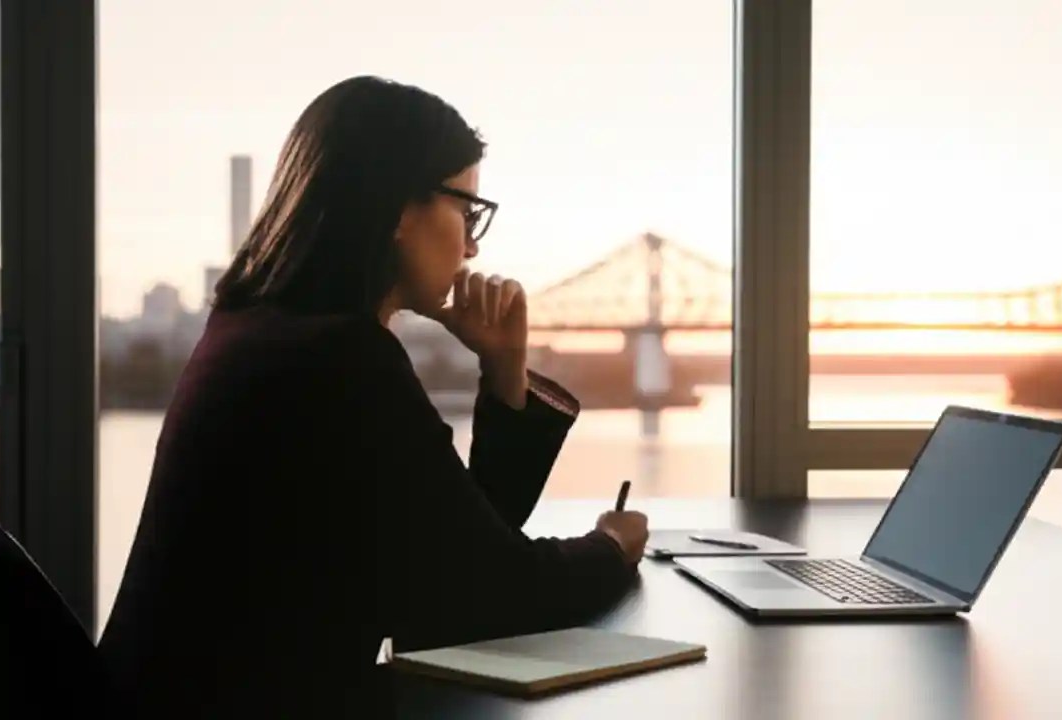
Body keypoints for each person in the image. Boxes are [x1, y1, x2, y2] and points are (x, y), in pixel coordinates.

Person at [99, 75, 649, 718]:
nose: (473, 244)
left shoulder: (257, 329)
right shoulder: (340, 361)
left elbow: (455, 559)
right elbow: (493, 595)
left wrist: (505, 372)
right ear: (396, 210)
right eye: (466, 210)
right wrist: (612, 547)